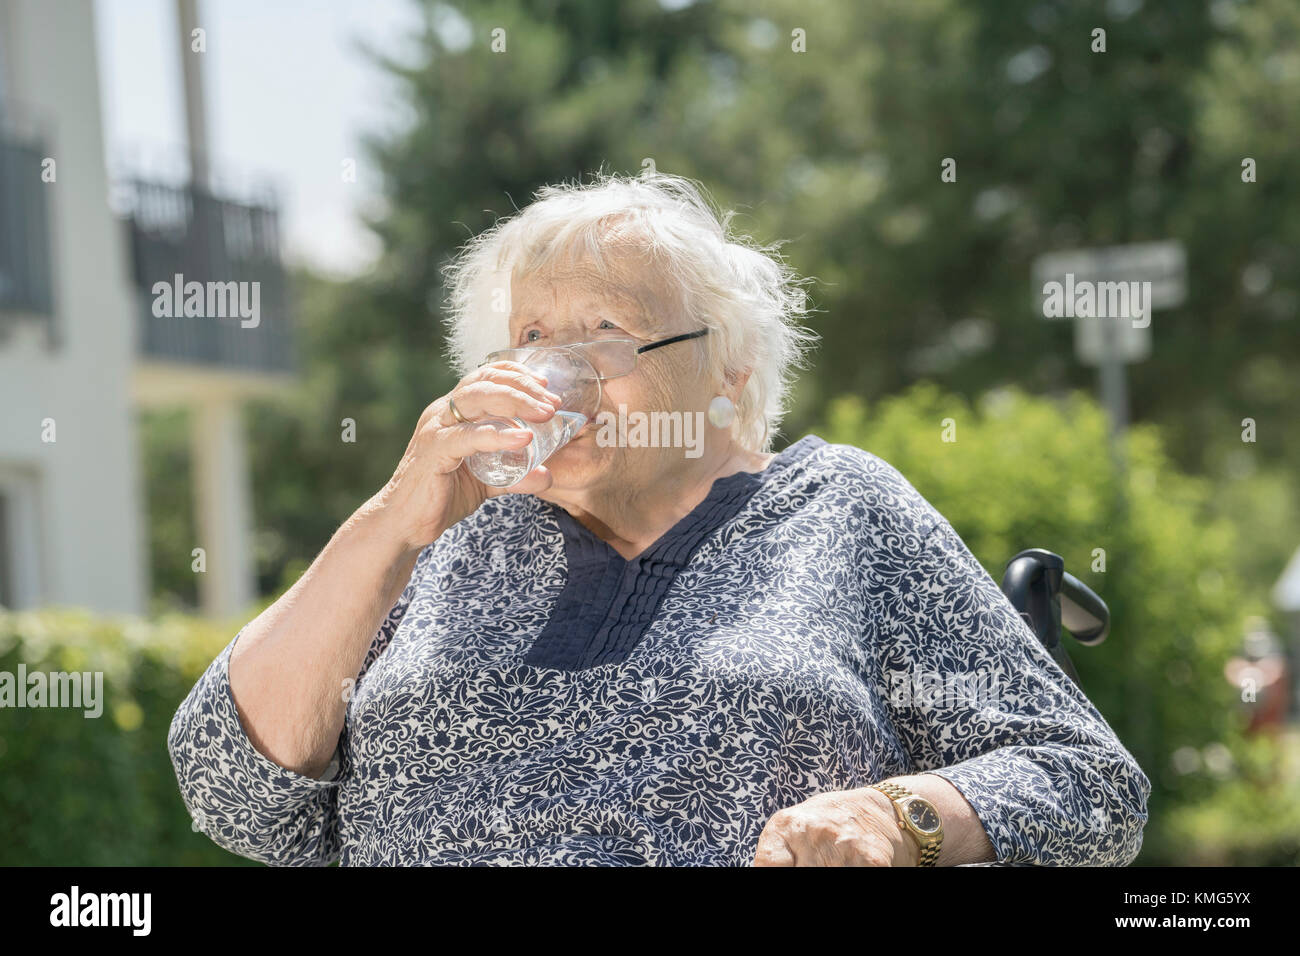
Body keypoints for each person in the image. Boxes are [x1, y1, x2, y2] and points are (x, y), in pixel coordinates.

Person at [168, 172, 1150, 866]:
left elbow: (1086, 782)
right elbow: (230, 789)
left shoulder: (843, 512)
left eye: (610, 329)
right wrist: (389, 521)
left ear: (729, 373)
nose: (560, 366)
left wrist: (901, 815)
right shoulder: (438, 534)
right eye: (533, 335)